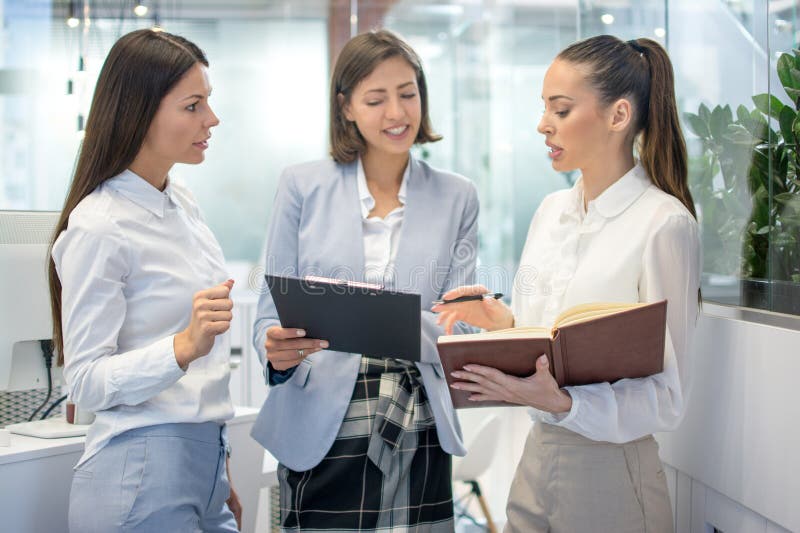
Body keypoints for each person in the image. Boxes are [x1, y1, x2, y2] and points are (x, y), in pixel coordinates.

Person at [433, 35, 700, 533]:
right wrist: (504, 324)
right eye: (544, 109)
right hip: (536, 460)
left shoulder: (664, 224)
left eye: (560, 109)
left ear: (618, 116)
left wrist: (563, 402)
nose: (543, 124)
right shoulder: (551, 212)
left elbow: (668, 397)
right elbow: (552, 344)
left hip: (613, 475)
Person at [250, 29, 479, 532]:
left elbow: (461, 326)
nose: (396, 113)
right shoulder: (301, 185)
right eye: (376, 99)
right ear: (346, 107)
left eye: (408, 94)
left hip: (416, 415)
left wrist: (354, 319)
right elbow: (272, 311)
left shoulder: (457, 196)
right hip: (321, 419)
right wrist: (275, 346)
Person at [49, 29, 242, 532]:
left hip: (202, 466)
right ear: (140, 111)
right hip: (138, 474)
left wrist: (216, 475)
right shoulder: (100, 224)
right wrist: (182, 346)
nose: (212, 120)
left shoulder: (183, 206)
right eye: (193, 106)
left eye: (208, 103)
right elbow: (85, 382)